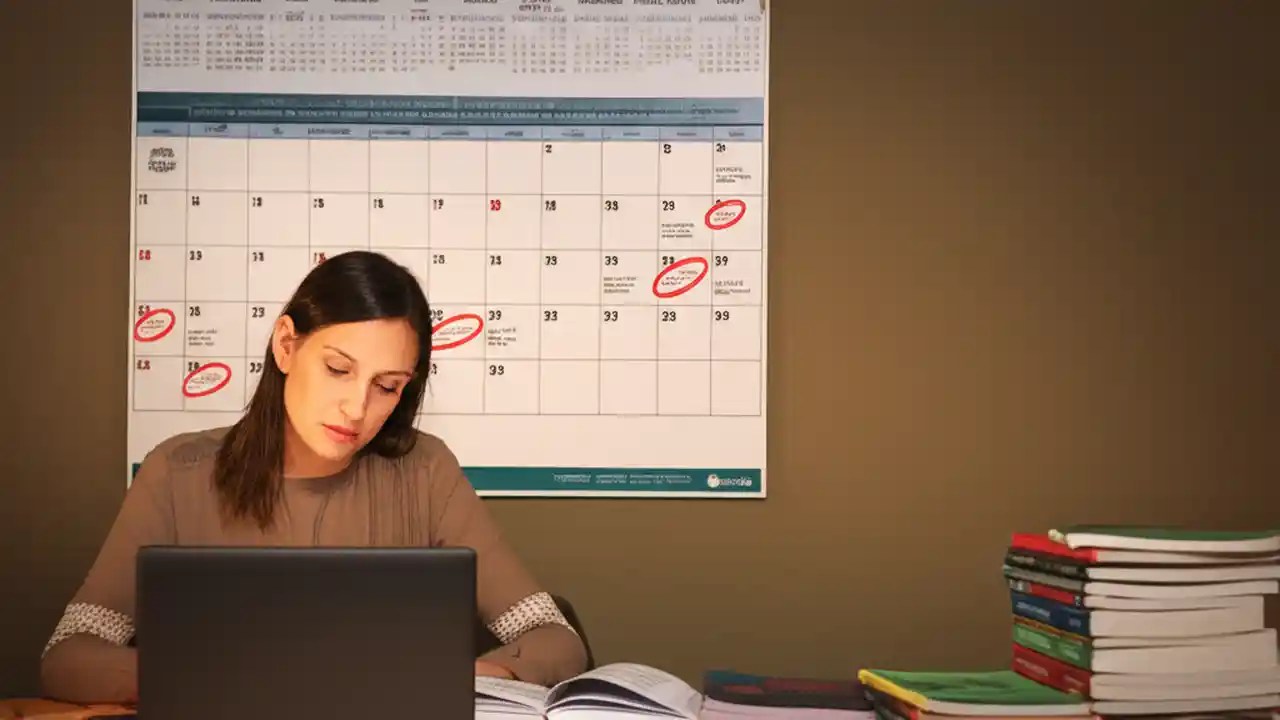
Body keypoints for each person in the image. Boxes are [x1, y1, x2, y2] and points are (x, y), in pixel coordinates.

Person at [39, 250, 588, 704]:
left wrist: (483, 678)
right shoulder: (177, 472)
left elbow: (553, 637)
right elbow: (69, 654)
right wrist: (213, 682)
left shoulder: (426, 471)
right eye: (338, 369)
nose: (357, 408)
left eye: (387, 385)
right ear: (286, 345)